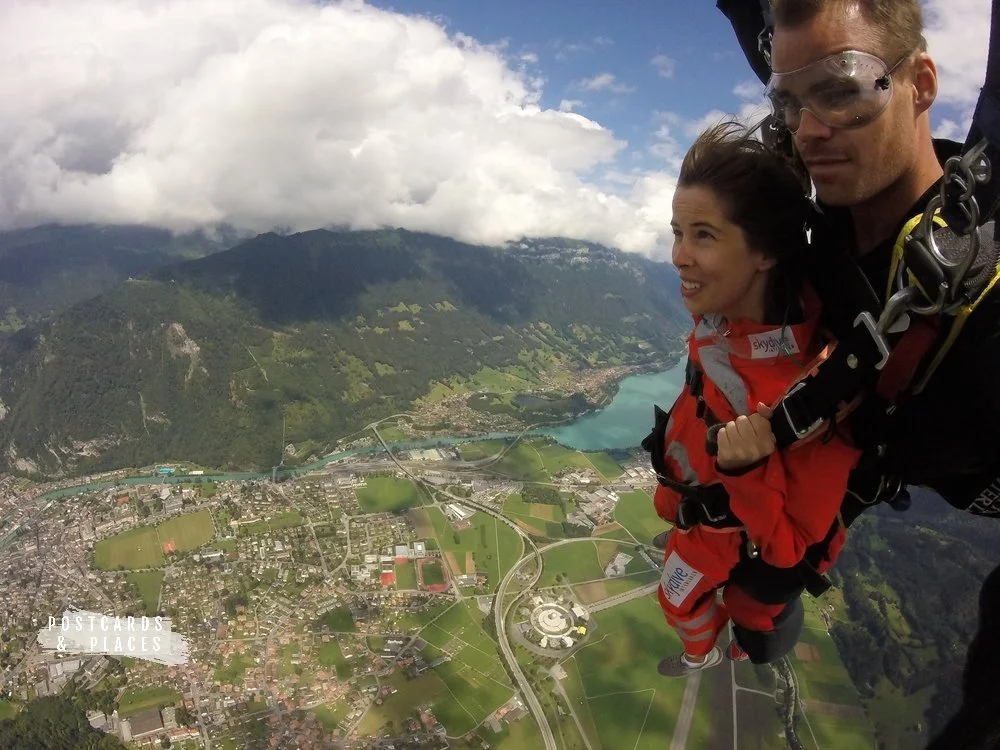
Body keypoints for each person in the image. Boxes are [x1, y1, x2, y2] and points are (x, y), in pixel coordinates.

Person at [718, 0, 1000, 743]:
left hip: (968, 458)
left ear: (922, 84)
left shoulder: (988, 293)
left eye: (840, 91)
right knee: (756, 609)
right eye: (788, 102)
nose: (811, 130)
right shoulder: (822, 222)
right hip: (867, 454)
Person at [647, 120, 862, 677]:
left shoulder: (811, 400)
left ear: (764, 253)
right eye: (677, 232)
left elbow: (790, 548)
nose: (678, 255)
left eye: (703, 235)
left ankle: (709, 652)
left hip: (737, 540)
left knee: (698, 607)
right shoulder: (726, 319)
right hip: (691, 501)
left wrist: (748, 468)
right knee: (671, 541)